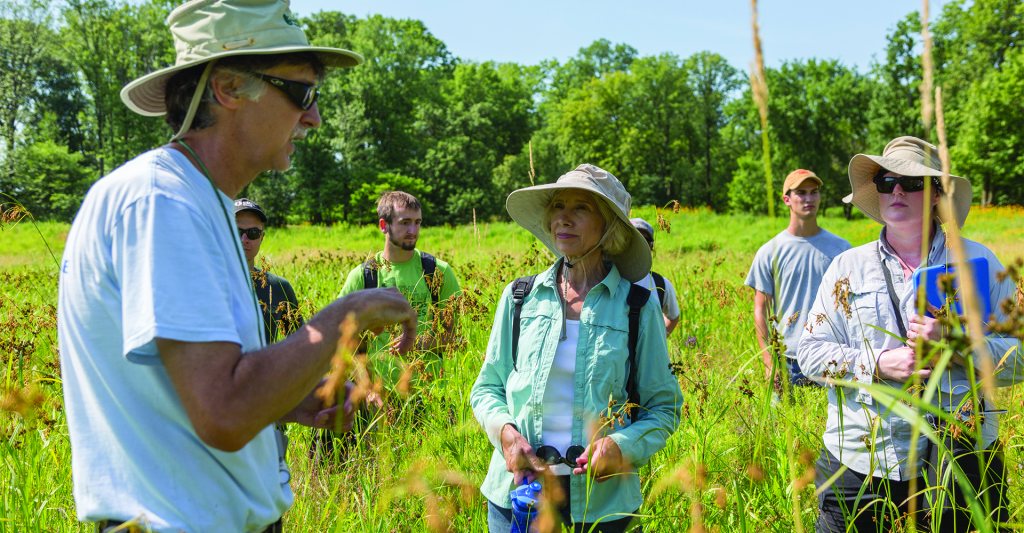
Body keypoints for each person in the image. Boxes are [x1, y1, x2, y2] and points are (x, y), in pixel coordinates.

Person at [56, 1, 417, 531]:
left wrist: (289, 397)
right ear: (227, 87)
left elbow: (193, 394)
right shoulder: (162, 203)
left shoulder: (199, 203)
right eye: (302, 93)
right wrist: (351, 313)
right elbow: (223, 413)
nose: (313, 117)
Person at [798, 136, 1023, 532]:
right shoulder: (845, 268)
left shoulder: (978, 262)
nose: (897, 189)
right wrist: (880, 363)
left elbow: (1019, 357)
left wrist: (958, 347)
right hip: (862, 459)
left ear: (937, 193)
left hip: (961, 457)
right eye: (886, 182)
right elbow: (810, 354)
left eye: (912, 181)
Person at [471, 164, 683, 532]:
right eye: (557, 206)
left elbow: (663, 408)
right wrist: (505, 433)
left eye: (581, 208)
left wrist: (620, 446)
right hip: (518, 495)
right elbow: (487, 388)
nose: (563, 218)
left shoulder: (637, 305)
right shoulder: (520, 298)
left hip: (602, 505)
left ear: (609, 225)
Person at [745, 169, 850, 387]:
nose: (809, 198)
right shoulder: (770, 251)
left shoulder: (842, 249)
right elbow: (760, 309)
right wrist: (768, 362)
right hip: (787, 359)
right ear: (787, 200)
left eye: (814, 192)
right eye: (801, 192)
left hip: (832, 355)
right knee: (783, 419)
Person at [338, 191, 461, 352]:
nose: (413, 230)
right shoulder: (363, 276)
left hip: (429, 376)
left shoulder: (438, 271)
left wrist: (415, 343)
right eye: (405, 222)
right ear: (384, 225)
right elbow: (338, 332)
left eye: (417, 222)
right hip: (375, 377)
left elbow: (456, 337)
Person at [235, 198, 303, 344]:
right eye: (236, 231)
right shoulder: (206, 284)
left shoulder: (279, 288)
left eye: (253, 233)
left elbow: (300, 346)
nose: (244, 239)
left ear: (262, 238)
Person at [629, 217, 681, 335]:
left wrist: (659, 341)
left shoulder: (660, 284)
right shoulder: (606, 279)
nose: (638, 244)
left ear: (651, 247)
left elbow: (673, 317)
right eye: (633, 238)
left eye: (644, 240)